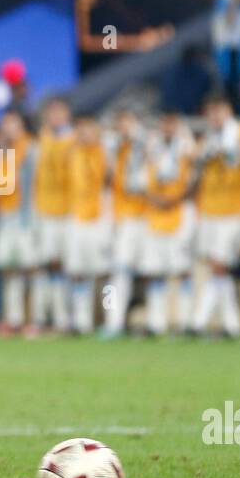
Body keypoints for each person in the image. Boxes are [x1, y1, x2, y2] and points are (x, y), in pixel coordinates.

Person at [191, 94, 240, 337]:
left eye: (220, 110)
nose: (215, 116)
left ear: (229, 110)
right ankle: (232, 325)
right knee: (218, 268)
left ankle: (198, 322)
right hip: (210, 209)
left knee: (219, 265)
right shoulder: (206, 140)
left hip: (233, 210)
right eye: (211, 111)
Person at [139, 109, 194, 336]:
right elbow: (141, 181)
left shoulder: (187, 149)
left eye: (172, 123)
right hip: (154, 218)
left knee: (181, 271)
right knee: (155, 273)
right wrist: (157, 199)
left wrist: (174, 199)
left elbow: (194, 180)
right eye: (165, 123)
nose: (168, 127)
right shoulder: (151, 149)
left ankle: (184, 322)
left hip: (180, 216)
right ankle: (156, 322)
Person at [103, 108, 149, 338]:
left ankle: (155, 322)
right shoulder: (113, 149)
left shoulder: (148, 145)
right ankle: (113, 321)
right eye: (121, 122)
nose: (125, 127)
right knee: (117, 272)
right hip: (122, 218)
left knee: (154, 273)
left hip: (149, 218)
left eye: (128, 121)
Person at [0, 108, 35, 335]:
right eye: (4, 122)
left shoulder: (31, 148)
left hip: (26, 215)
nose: (7, 127)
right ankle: (13, 319)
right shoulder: (0, 151)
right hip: (5, 214)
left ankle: (33, 319)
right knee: (8, 269)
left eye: (11, 122)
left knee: (30, 267)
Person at [29, 96, 73, 333]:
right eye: (51, 113)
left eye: (59, 112)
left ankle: (64, 319)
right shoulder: (41, 142)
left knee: (63, 266)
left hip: (66, 212)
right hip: (43, 211)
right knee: (41, 266)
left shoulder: (74, 141)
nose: (55, 117)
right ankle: (41, 318)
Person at [65, 113, 108, 334]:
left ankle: (111, 319)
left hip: (102, 218)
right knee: (78, 272)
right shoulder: (71, 153)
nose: (85, 134)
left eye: (90, 129)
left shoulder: (107, 152)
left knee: (106, 274)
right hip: (76, 219)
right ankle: (82, 321)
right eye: (81, 129)